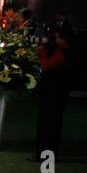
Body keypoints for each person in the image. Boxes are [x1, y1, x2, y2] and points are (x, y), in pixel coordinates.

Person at [33, 28, 73, 161]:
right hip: (52, 94)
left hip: (54, 95)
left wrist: (42, 53)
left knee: (49, 124)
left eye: (57, 38)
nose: (54, 40)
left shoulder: (62, 53)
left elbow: (47, 67)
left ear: (64, 40)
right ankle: (43, 153)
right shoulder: (60, 52)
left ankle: (46, 155)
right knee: (48, 124)